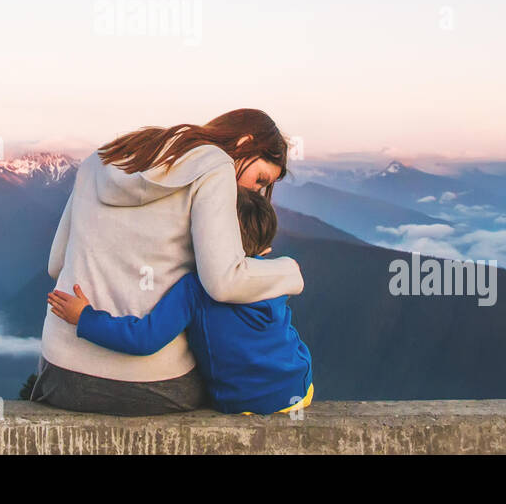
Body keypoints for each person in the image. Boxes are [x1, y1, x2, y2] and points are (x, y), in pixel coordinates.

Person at [30, 108, 304, 415]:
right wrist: (289, 272)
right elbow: (224, 283)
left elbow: (57, 264)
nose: (256, 192)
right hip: (153, 387)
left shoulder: (101, 158)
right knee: (236, 387)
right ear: (243, 144)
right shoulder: (216, 168)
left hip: (59, 376)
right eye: (261, 179)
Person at [47, 188, 312, 415]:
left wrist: (85, 317)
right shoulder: (273, 276)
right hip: (299, 386)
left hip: (242, 402)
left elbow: (144, 339)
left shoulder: (194, 289)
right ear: (265, 250)